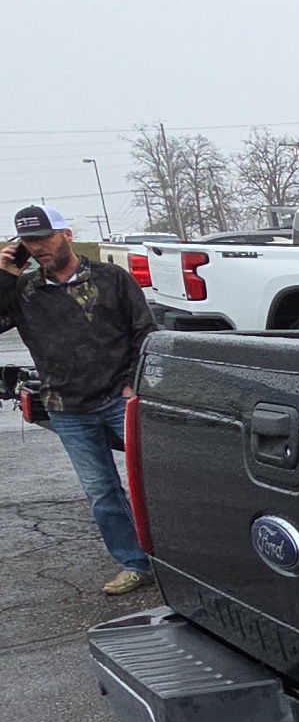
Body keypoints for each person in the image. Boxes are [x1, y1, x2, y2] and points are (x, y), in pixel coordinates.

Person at [1, 205, 157, 594]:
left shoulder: (110, 278)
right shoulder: (25, 290)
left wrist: (132, 383)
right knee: (101, 492)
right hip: (67, 408)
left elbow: (145, 333)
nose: (37, 248)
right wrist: (5, 276)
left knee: (156, 478)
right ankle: (135, 563)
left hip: (119, 398)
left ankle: (181, 557)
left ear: (67, 235)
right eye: (28, 242)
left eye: (44, 237)